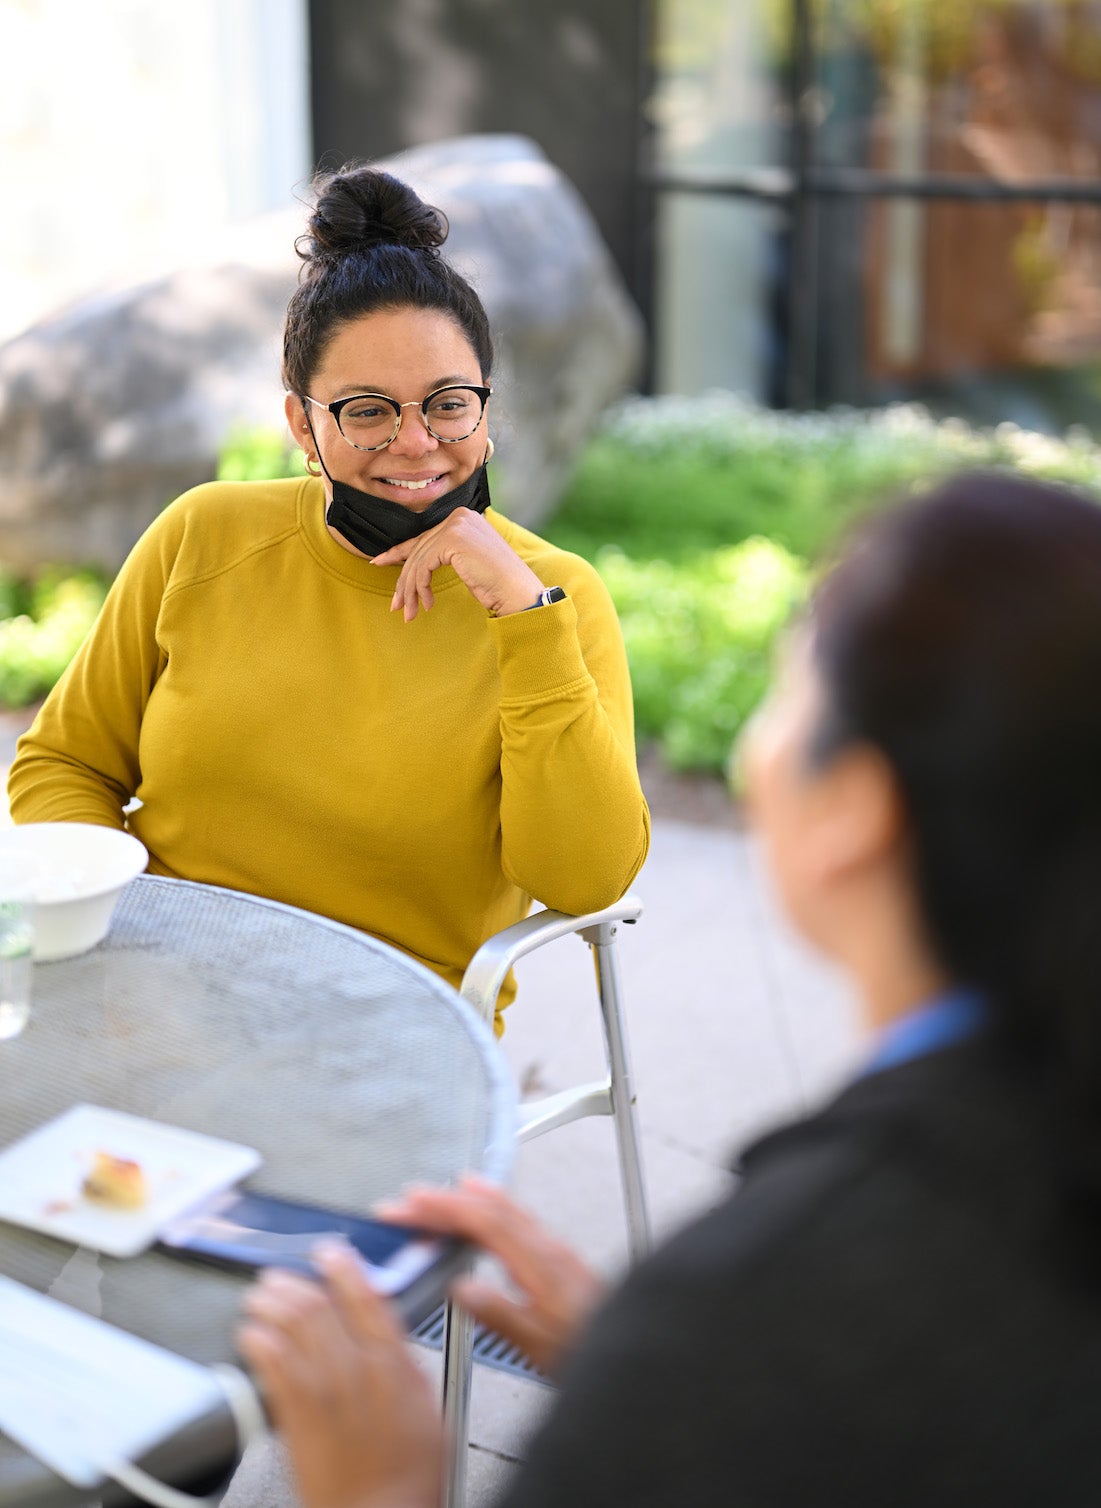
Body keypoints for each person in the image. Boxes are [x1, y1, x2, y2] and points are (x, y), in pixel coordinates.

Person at [239, 470, 1101, 1507]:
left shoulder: (765, 1292)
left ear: (854, 811)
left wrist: (381, 1491)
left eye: (788, 691)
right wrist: (651, 1373)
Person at [7, 167, 649, 1030]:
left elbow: (587, 881)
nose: (415, 442)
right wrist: (124, 931)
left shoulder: (553, 597)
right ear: (301, 425)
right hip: (159, 997)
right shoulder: (204, 534)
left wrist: (522, 619)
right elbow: (65, 764)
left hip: (395, 1030)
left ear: (486, 409)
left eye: (448, 404)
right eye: (367, 411)